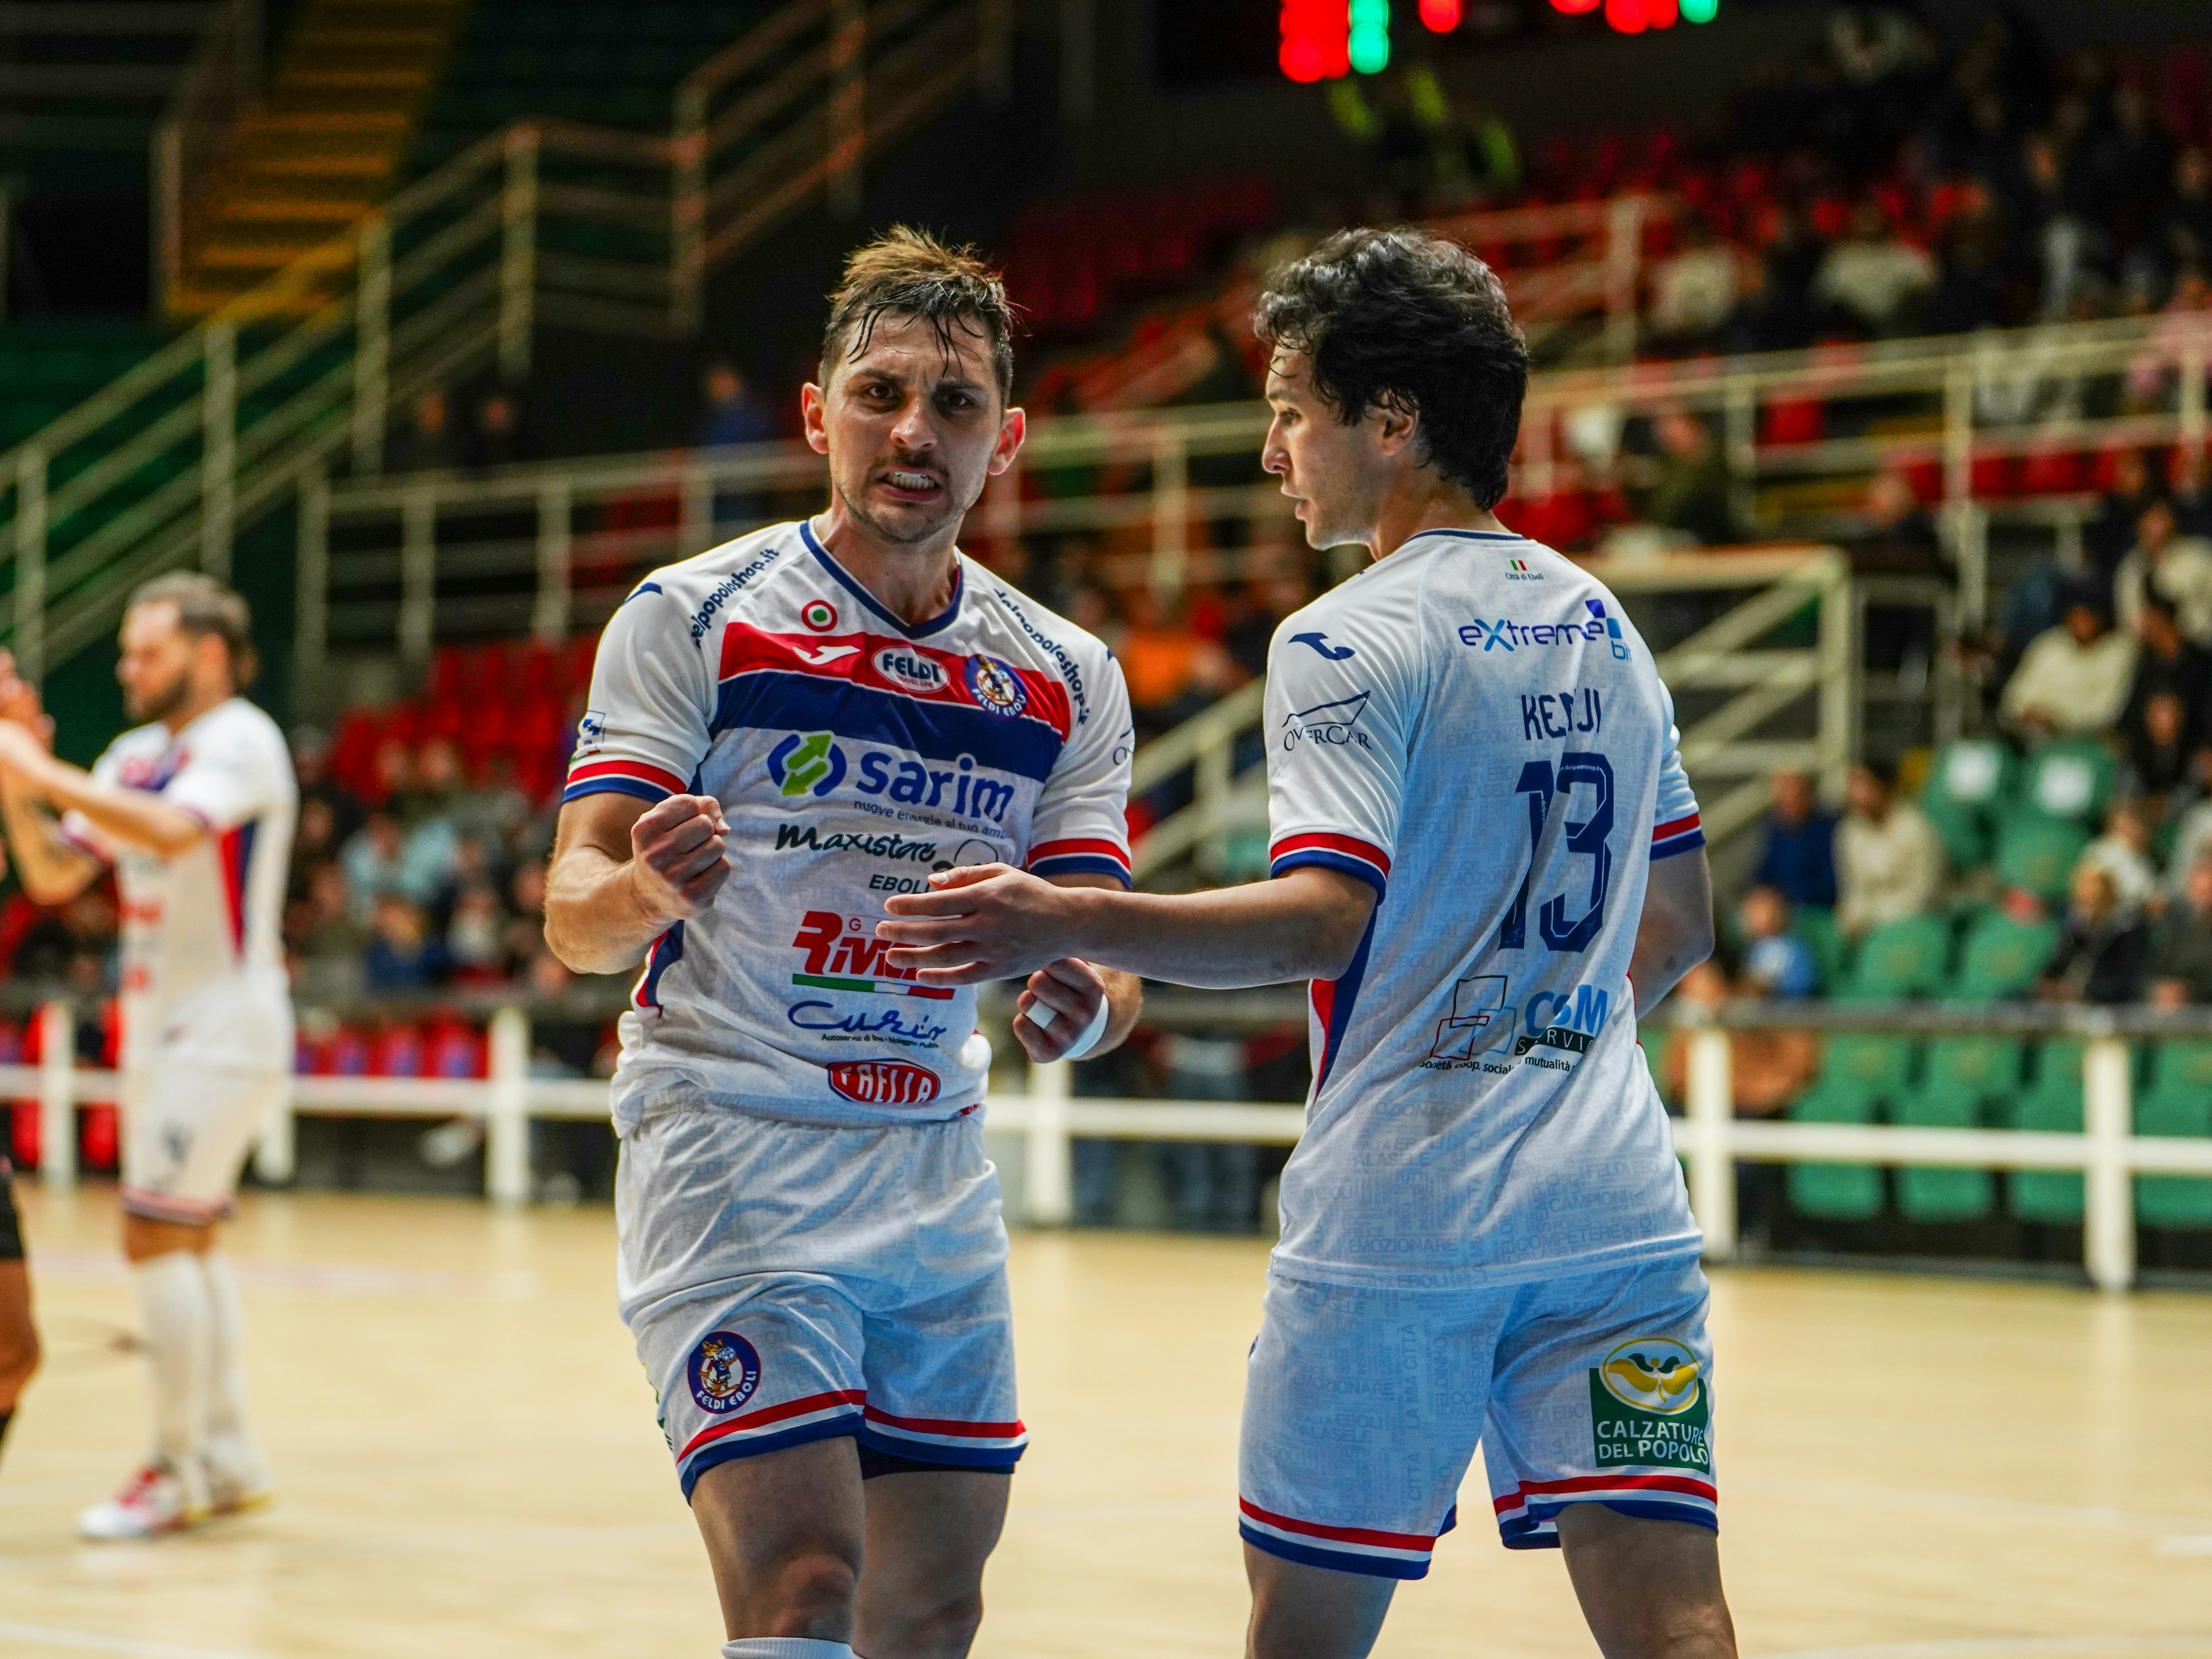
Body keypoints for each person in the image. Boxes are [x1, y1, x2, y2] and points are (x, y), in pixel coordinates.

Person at [877, 228, 1735, 1659]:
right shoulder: (1602, 619)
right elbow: (1682, 912)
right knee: (1676, 1620)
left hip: (1401, 1212)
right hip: (1611, 1200)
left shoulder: (1342, 638)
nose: (1270, 448)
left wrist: (1058, 910)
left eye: (1289, 409)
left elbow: (1322, 918)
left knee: (1304, 1630)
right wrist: (1549, 1037)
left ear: (1389, 422)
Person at [541, 228, 1143, 1659]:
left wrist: (1085, 992)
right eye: (878, 393)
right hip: (730, 1134)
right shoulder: (692, 616)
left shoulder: (1066, 673)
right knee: (805, 1579)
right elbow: (569, 909)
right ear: (816, 412)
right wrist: (640, 887)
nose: (912, 433)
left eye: (952, 405)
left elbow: (1101, 948)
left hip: (931, 1163)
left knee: (931, 1608)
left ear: (1006, 438)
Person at [0, 572, 294, 1538]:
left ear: (208, 655)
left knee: (153, 1232)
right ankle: (230, 1451)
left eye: (148, 650)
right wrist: (17, 787)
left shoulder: (241, 737)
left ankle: (172, 1469)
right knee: (188, 1235)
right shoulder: (132, 753)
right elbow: (52, 873)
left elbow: (172, 831)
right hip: (162, 1028)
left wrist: (41, 774)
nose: (128, 667)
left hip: (224, 1021)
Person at [1999, 589, 2138, 738]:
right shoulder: (2049, 646)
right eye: (2076, 614)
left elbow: (2107, 712)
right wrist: (2032, 713)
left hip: (2093, 742)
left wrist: (2056, 718)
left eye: (2088, 614)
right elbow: (2014, 699)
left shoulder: (2121, 652)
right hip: (2038, 740)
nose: (2081, 621)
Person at [1834, 761, 1943, 940]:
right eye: (1853, 786)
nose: (1857, 796)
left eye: (1864, 786)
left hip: (1915, 923)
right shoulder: (1850, 830)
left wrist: (1879, 918)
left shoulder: (1916, 828)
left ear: (1884, 787)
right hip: (1870, 924)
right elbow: (1853, 888)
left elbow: (1925, 892)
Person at [2036, 863, 2147, 1006]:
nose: (2090, 909)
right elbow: (2056, 965)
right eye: (2085, 902)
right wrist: (2050, 984)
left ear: (2109, 897)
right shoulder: (2075, 931)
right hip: (2070, 1006)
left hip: (2112, 1009)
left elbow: (2130, 979)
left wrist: (2084, 993)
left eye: (2096, 900)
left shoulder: (2128, 932)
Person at [1751, 767, 1837, 910]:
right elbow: (1762, 874)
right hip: (1776, 907)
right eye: (1785, 792)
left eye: (1796, 792)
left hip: (1817, 907)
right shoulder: (1774, 831)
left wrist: (1784, 901)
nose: (1790, 798)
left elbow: (1831, 882)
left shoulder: (1829, 830)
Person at [2148, 858, 2212, 1008]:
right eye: (2202, 892)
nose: (2207, 900)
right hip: (2176, 1008)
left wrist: (2191, 991)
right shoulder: (2171, 924)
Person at [1738, 885, 1819, 998]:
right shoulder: (1755, 948)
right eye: (1751, 912)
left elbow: (1801, 983)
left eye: (1760, 911)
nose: (1754, 918)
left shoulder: (1789, 947)